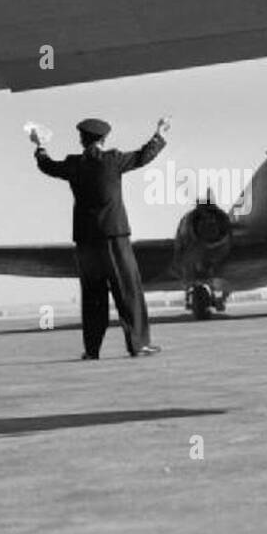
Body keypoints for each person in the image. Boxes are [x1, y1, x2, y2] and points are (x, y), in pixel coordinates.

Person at [32, 116, 169, 358]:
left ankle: (92, 349)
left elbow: (48, 166)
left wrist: (40, 145)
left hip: (85, 240)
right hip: (115, 236)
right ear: (104, 139)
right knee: (128, 290)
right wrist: (159, 133)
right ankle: (138, 345)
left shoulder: (74, 164)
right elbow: (142, 156)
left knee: (93, 295)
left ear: (82, 140)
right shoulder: (113, 160)